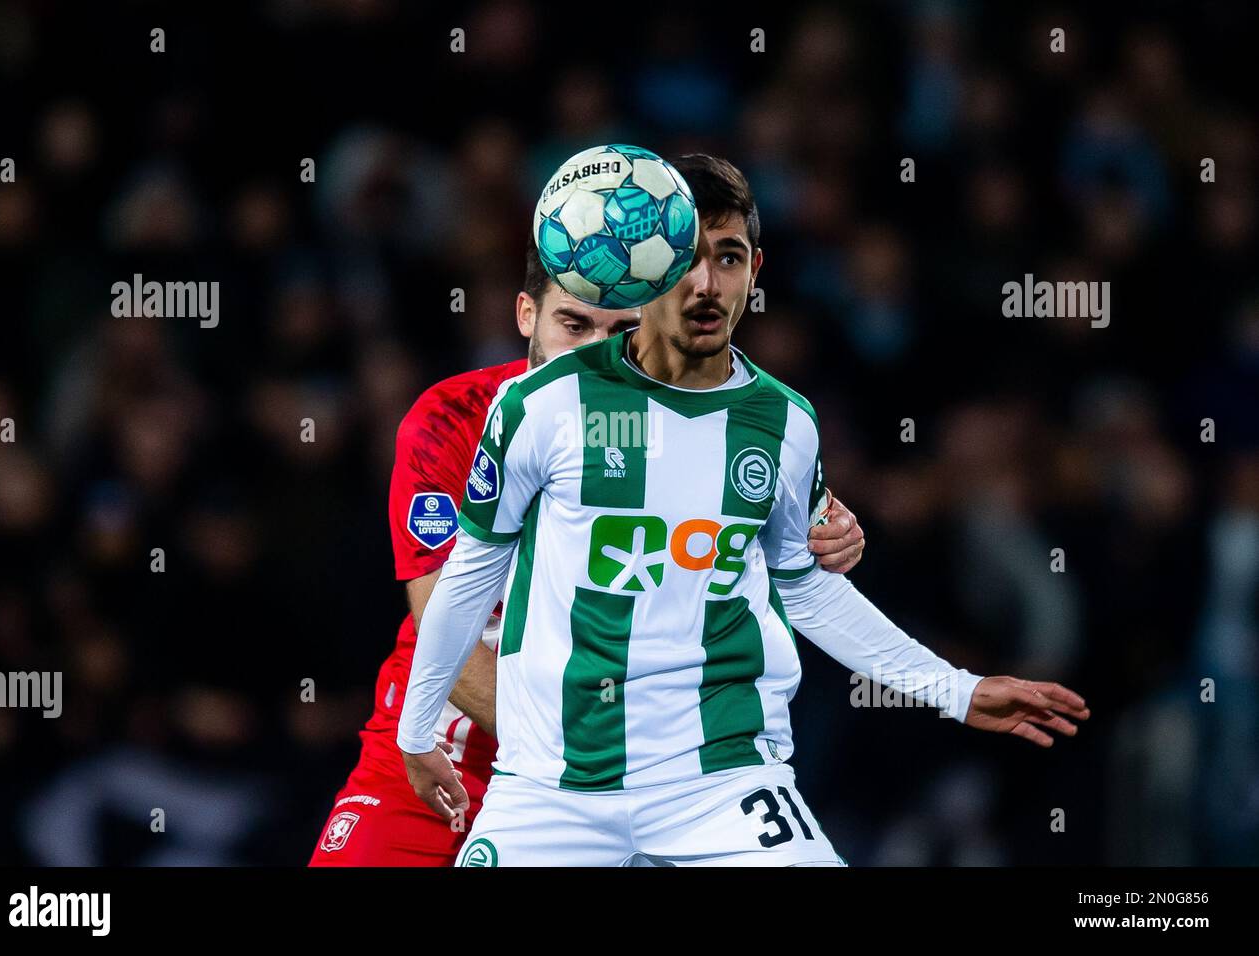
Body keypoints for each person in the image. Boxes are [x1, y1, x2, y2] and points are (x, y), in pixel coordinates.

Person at [397, 154, 1089, 867]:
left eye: (728, 258)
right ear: (647, 268)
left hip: (721, 781)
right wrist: (416, 733)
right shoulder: (542, 406)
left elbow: (810, 590)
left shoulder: (785, 424)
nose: (705, 283)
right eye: (687, 259)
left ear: (755, 269)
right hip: (550, 788)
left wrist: (957, 691)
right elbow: (469, 579)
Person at [309, 234, 867, 865]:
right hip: (446, 755)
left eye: (621, 329)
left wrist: (830, 530)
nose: (595, 356)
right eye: (573, 325)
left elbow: (785, 538)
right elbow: (445, 625)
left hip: (634, 775)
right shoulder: (452, 420)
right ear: (527, 316)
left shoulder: (700, 429)